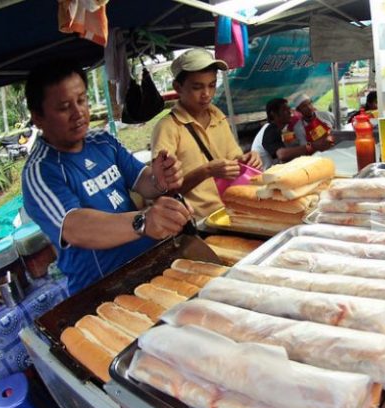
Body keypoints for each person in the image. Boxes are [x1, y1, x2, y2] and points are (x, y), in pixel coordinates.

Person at [22, 58, 190, 294]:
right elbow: (75, 226)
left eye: (81, 100)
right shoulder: (40, 172)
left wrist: (160, 179)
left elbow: (142, 179)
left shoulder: (102, 141)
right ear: (38, 117)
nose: (78, 112)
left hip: (151, 266)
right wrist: (144, 221)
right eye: (64, 107)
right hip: (103, 289)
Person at [151, 48, 262, 219]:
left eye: (211, 85)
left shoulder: (217, 115)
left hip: (232, 212)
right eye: (197, 87)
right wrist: (206, 171)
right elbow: (165, 191)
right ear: (177, 87)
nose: (207, 94)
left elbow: (234, 160)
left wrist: (248, 160)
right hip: (199, 222)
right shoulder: (167, 128)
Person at [251, 98, 333, 170]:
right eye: (285, 110)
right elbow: (282, 154)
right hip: (265, 174)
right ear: (273, 114)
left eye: (289, 109)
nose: (290, 112)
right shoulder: (270, 129)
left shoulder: (276, 130)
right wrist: (313, 146)